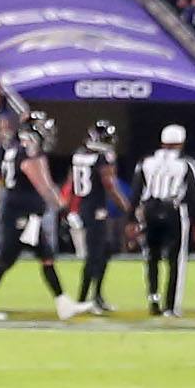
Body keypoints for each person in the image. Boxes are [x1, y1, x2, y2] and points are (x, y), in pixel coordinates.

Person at [0, 123, 70, 321]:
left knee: (46, 256)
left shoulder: (14, 150)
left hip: (25, 214)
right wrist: (62, 206)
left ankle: (64, 303)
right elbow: (42, 183)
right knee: (7, 259)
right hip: (21, 215)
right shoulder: (27, 155)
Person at [133, 122, 195, 318]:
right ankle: (170, 306)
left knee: (151, 257)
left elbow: (136, 191)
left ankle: (153, 299)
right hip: (173, 210)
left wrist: (131, 218)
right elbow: (194, 193)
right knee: (175, 260)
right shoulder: (186, 163)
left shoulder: (146, 161)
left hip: (150, 209)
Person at [67, 120, 125, 316]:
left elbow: (72, 182)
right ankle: (84, 299)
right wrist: (128, 209)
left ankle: (96, 296)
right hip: (94, 209)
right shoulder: (102, 157)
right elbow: (110, 185)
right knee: (95, 255)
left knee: (104, 250)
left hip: (84, 206)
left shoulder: (80, 153)